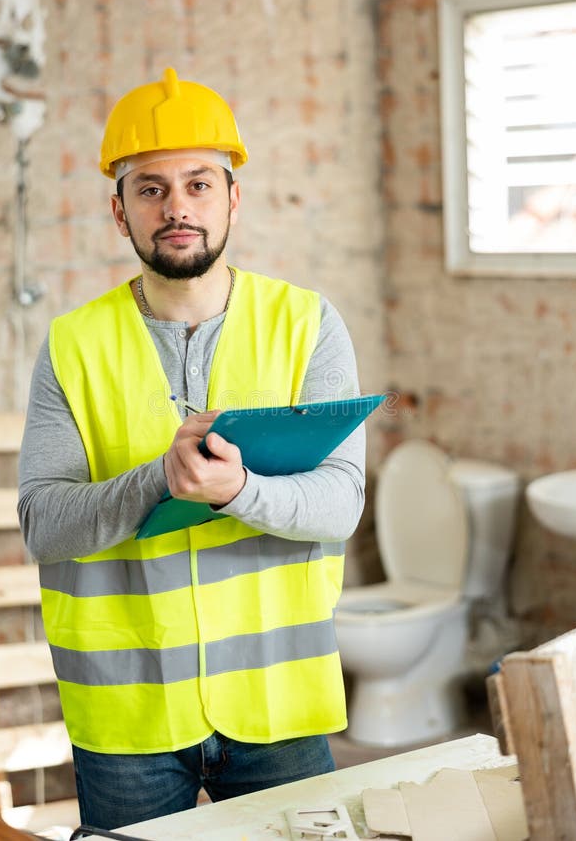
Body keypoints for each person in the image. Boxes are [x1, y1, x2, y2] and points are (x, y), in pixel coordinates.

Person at [18, 67, 366, 830]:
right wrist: (157, 480)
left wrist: (240, 491)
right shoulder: (73, 345)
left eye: (198, 184)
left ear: (232, 198)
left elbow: (340, 503)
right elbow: (43, 522)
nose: (176, 207)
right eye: (150, 189)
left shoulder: (306, 323)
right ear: (120, 213)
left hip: (277, 705)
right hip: (127, 710)